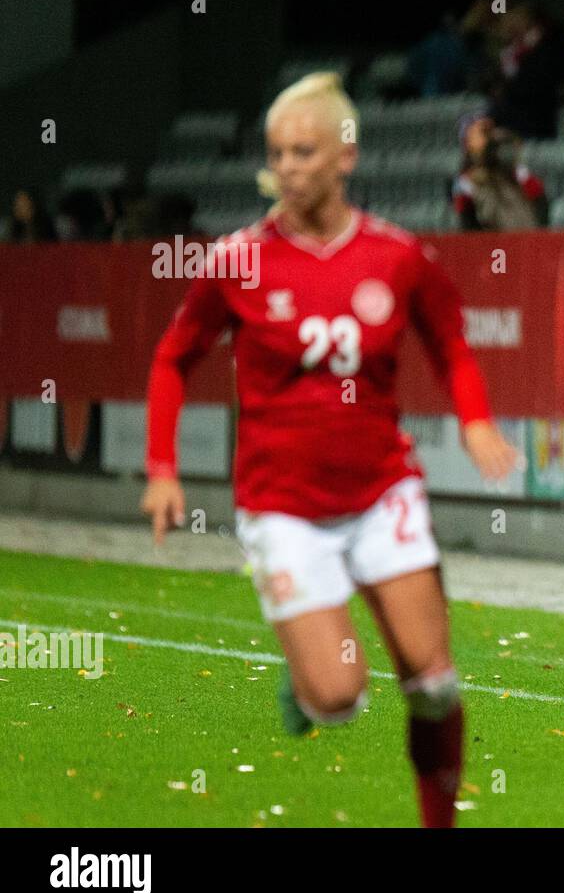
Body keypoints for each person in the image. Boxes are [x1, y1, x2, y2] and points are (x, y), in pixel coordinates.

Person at [139, 72, 522, 827]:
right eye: (277, 152)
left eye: (304, 150)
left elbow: (450, 341)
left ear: (345, 155)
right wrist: (161, 468)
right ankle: (306, 678)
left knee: (436, 683)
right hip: (281, 504)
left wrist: (476, 420)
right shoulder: (239, 261)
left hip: (383, 491)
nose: (287, 166)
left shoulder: (397, 256)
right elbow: (172, 358)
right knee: (337, 697)